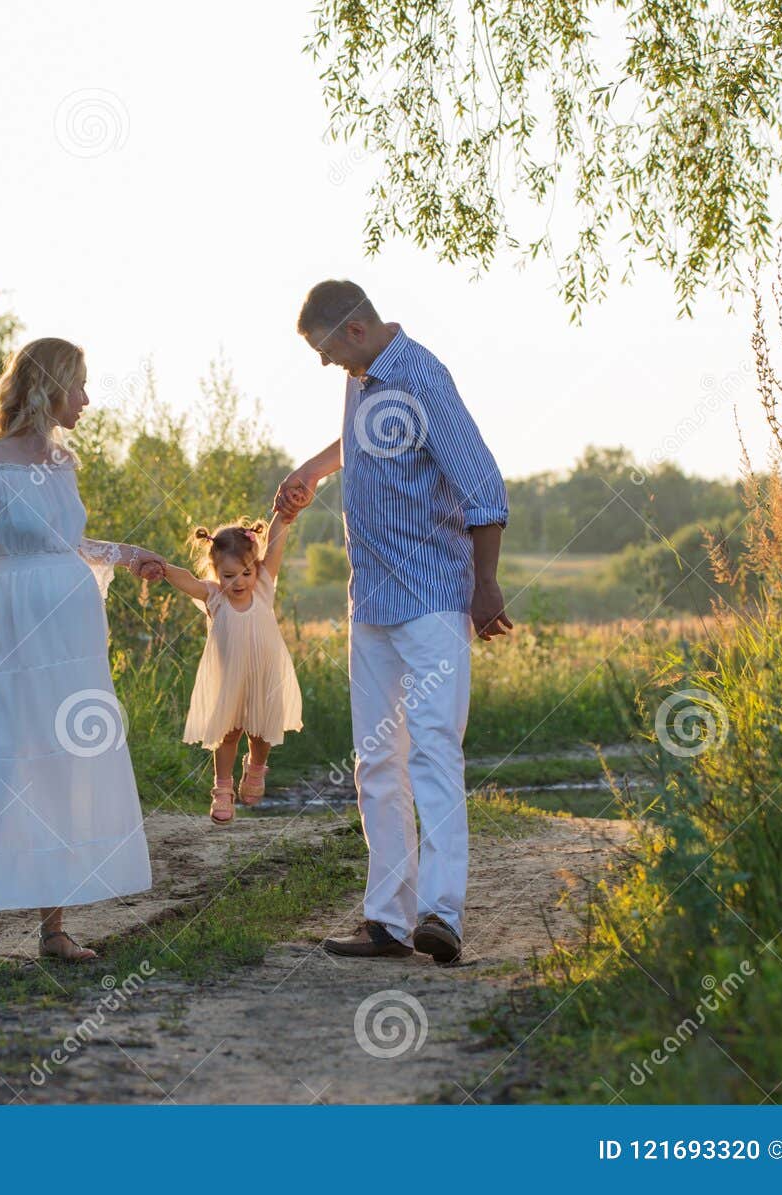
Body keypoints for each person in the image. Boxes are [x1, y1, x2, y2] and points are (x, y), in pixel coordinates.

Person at [275, 280, 512, 966]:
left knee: (433, 751)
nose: (326, 366)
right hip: (371, 602)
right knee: (377, 760)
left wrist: (486, 583)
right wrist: (315, 470)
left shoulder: (422, 376)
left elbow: (484, 484)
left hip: (434, 599)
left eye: (326, 351)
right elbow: (363, 440)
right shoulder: (363, 378)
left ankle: (441, 915)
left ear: (353, 330)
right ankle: (387, 920)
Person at [0, 337, 164, 975]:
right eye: (81, 386)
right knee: (0, 763)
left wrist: (125, 554)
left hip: (71, 638)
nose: (88, 400)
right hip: (9, 631)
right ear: (50, 388)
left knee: (62, 763)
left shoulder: (62, 462)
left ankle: (53, 929)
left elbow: (63, 542)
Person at [151, 512, 304, 823]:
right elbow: (187, 580)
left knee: (261, 732)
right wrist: (162, 569)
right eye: (230, 575)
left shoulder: (262, 586)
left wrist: (282, 518)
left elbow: (274, 546)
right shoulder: (214, 596)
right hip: (228, 678)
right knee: (229, 733)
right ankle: (223, 789)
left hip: (265, 676)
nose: (239, 582)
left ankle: (256, 768)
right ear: (216, 571)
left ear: (256, 568)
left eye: (246, 573)